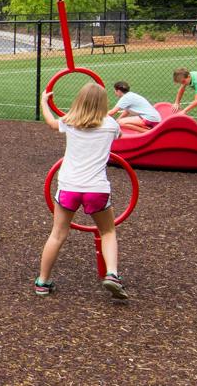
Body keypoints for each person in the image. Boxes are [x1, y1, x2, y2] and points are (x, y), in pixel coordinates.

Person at [35, 83, 128, 300]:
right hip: (96, 189)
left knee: (57, 234)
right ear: (103, 104)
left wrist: (44, 102)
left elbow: (50, 123)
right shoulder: (110, 124)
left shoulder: (70, 122)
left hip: (69, 186)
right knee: (107, 231)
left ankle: (42, 282)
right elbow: (120, 135)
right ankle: (112, 274)